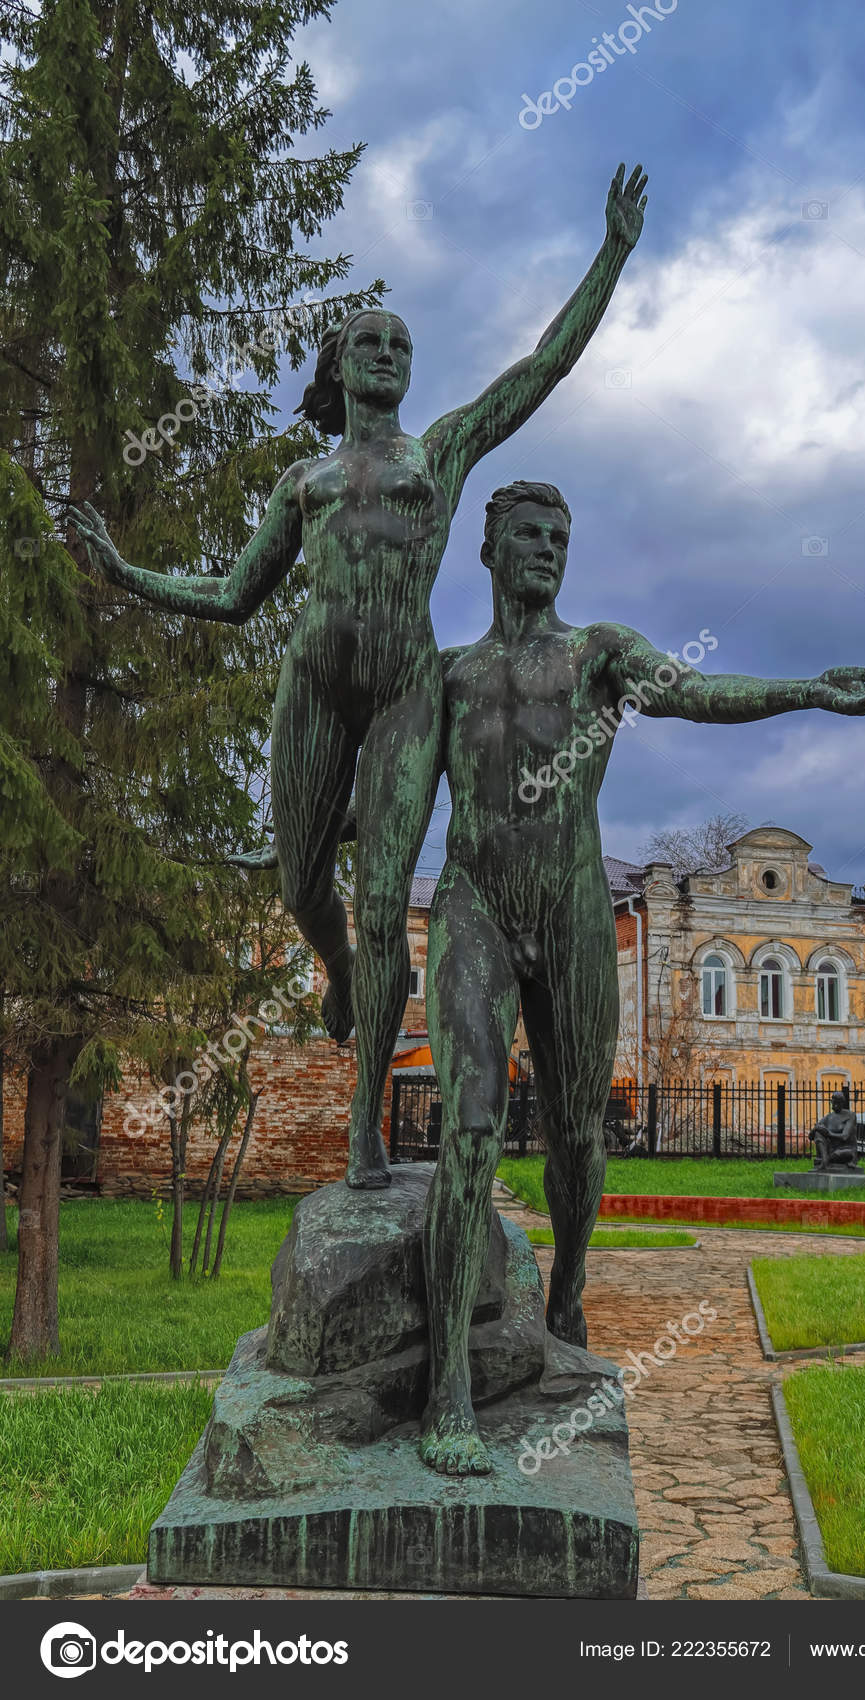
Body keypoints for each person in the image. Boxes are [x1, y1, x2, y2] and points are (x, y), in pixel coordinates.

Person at [68, 165, 647, 1190]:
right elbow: (233, 593)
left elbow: (539, 367)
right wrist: (124, 572)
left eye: (401, 345)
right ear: (338, 369)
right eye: (368, 343)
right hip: (313, 687)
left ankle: (363, 1124)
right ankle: (338, 966)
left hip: (402, 697)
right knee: (301, 885)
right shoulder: (307, 481)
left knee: (386, 905)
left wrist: (611, 253)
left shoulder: (445, 452)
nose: (387, 353)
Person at [418, 479, 865, 1473]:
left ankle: (563, 1291)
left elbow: (695, 693)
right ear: (486, 548)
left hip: (568, 907)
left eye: (561, 535)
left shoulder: (594, 652)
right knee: (469, 1122)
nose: (548, 549)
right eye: (528, 534)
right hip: (474, 902)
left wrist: (804, 690)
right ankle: (446, 1388)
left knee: (575, 1129)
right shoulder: (448, 675)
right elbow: (391, 802)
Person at [811, 1091, 861, 1170]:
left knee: (843, 1154)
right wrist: (816, 1129)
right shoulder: (828, 1117)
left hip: (846, 1150)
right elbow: (810, 1136)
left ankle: (826, 1159)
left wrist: (829, 1134)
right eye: (833, 1103)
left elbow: (845, 1136)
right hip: (830, 1150)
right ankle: (825, 1160)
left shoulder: (850, 1115)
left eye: (837, 1103)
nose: (835, 1105)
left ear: (842, 1103)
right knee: (818, 1132)